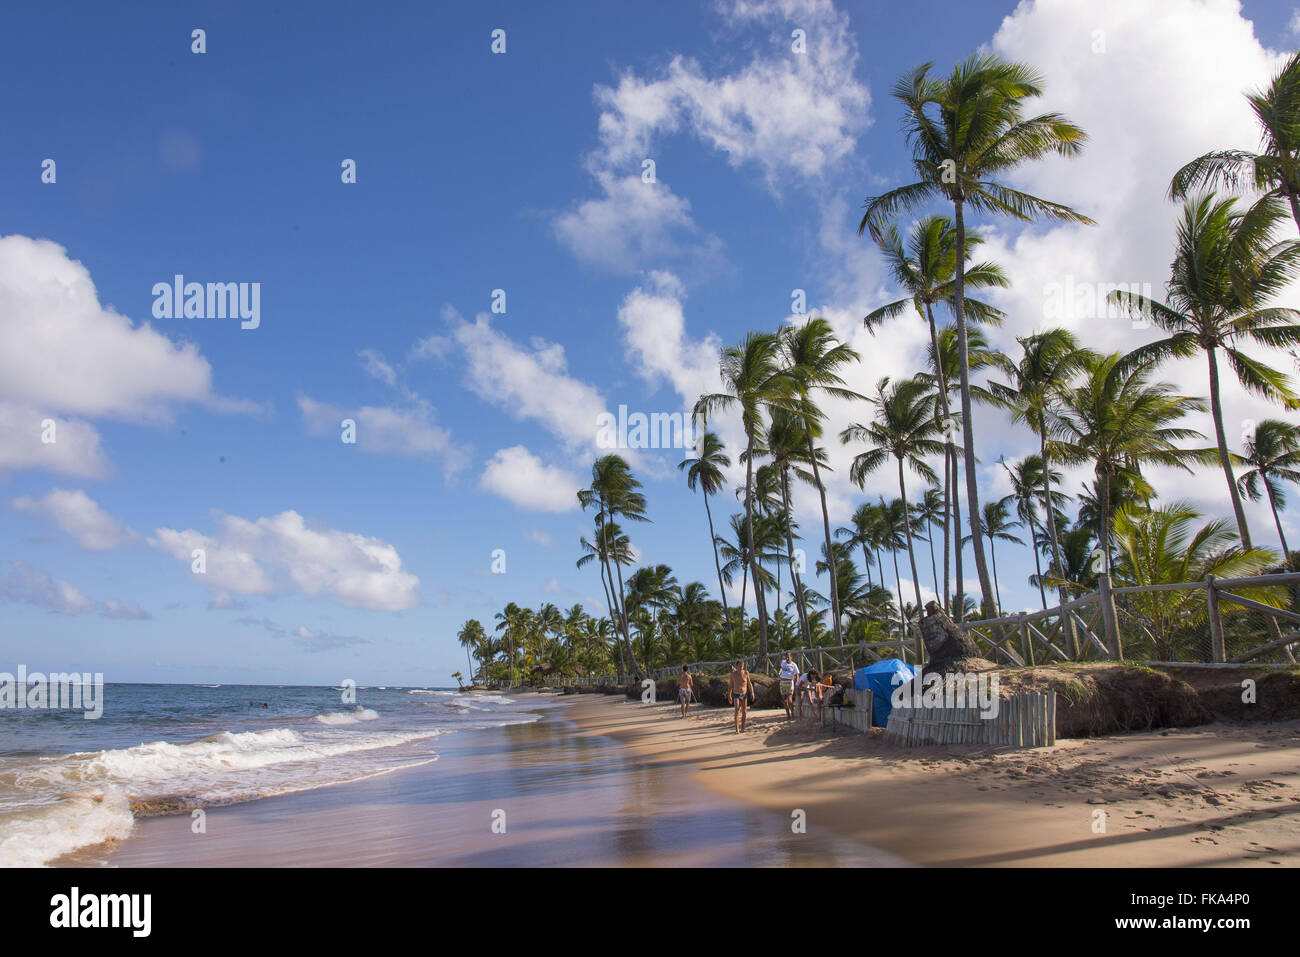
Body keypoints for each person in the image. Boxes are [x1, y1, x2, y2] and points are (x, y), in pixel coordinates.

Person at [728, 660, 753, 733]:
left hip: (744, 694)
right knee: (737, 710)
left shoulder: (746, 673)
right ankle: (737, 729)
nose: (740, 668)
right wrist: (729, 695)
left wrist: (752, 692)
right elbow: (730, 685)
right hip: (736, 694)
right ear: (736, 666)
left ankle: (743, 727)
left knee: (744, 711)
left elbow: (749, 683)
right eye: (739, 666)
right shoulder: (733, 674)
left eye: (742, 666)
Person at [778, 652, 799, 719]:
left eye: (788, 657)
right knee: (784, 700)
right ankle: (788, 715)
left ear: (791, 657)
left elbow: (797, 675)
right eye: (786, 657)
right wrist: (779, 673)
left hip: (789, 682)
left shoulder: (794, 665)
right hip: (782, 682)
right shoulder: (783, 662)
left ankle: (792, 714)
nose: (787, 658)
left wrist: (797, 683)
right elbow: (781, 668)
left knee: (790, 699)